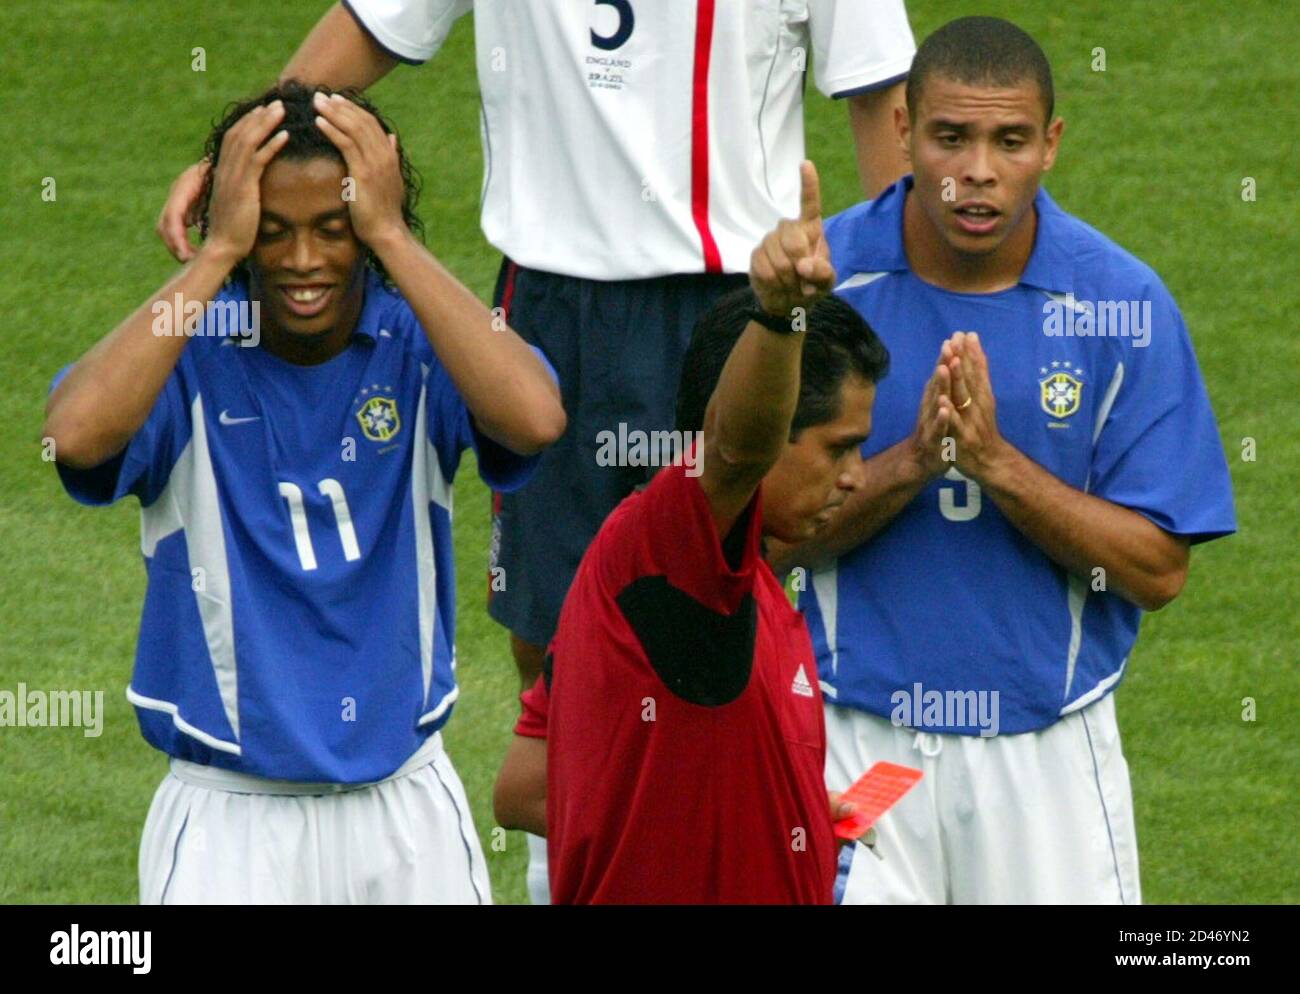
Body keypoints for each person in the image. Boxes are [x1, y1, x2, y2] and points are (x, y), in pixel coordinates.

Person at [155, 0, 917, 904]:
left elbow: (876, 91)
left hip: (733, 301)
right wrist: (247, 150)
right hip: (558, 299)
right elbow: (378, 23)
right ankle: (582, 878)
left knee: (744, 599)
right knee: (559, 642)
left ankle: (765, 826)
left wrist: (855, 329)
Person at [43, 81, 565, 904]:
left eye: (335, 228)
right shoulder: (187, 355)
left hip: (406, 811)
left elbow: (535, 417)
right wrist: (215, 255)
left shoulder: (422, 346)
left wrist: (393, 234)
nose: (302, 260)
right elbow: (71, 435)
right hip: (228, 824)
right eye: (273, 232)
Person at [772, 17, 1237, 904]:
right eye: (951, 137)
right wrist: (914, 462)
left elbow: (1159, 570)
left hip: (1049, 763)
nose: (977, 170)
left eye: (1010, 140)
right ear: (902, 130)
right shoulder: (823, 288)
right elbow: (762, 542)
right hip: (854, 747)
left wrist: (997, 466)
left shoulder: (1121, 304)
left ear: (1051, 145)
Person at [499, 163, 890, 904]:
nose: (856, 477)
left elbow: (521, 789)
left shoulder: (733, 588)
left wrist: (781, 822)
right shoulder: (667, 554)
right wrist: (777, 318)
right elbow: (737, 449)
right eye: (839, 447)